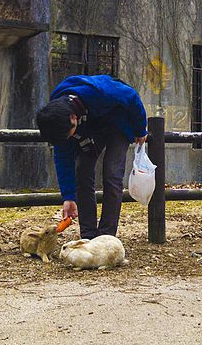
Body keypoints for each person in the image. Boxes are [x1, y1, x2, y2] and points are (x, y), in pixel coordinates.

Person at [35, 74, 148, 239]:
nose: (68, 138)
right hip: (91, 129)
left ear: (73, 119)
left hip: (119, 122)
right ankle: (88, 235)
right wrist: (68, 197)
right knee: (82, 170)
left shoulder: (100, 92)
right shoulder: (56, 120)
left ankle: (106, 237)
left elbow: (131, 96)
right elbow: (63, 157)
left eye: (69, 134)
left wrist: (140, 129)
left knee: (112, 173)